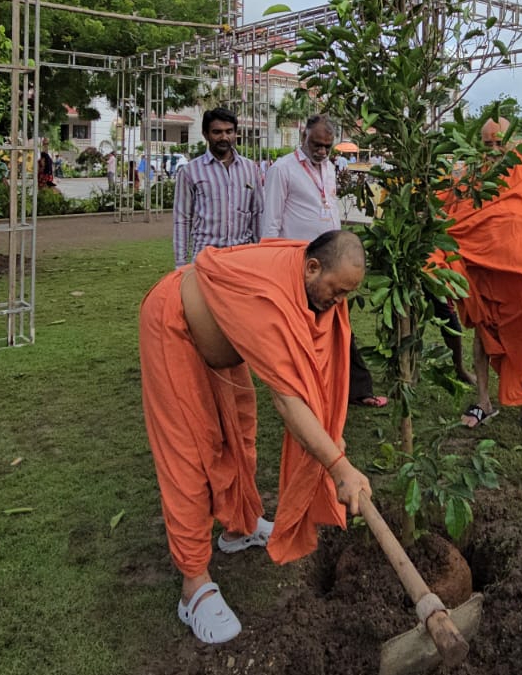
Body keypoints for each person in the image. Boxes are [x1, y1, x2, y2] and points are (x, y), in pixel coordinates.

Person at [140, 230, 372, 644]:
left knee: (240, 432)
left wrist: (327, 432)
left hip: (223, 342)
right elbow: (287, 401)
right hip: (172, 327)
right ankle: (193, 586)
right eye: (336, 293)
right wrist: (339, 468)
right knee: (191, 456)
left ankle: (240, 526)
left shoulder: (305, 277)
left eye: (345, 297)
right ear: (313, 267)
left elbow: (310, 377)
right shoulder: (269, 298)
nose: (338, 306)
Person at [437, 118, 522, 437]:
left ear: (512, 142)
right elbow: (456, 213)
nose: (494, 151)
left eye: (500, 144)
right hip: (483, 270)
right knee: (484, 334)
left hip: (520, 273)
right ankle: (483, 401)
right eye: (487, 145)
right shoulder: (471, 173)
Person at [262, 114, 387, 408]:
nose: (321, 151)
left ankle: (355, 390)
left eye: (326, 147)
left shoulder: (329, 168)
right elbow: (271, 222)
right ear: (303, 136)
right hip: (300, 267)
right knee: (303, 333)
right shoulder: (283, 170)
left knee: (340, 329)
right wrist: (273, 266)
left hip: (331, 265)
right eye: (316, 145)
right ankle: (306, 393)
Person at [173, 108, 263, 268]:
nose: (224, 137)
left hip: (242, 258)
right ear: (205, 134)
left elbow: (257, 214)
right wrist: (181, 265)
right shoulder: (190, 171)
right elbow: (182, 219)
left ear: (236, 133)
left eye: (229, 131)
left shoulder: (250, 169)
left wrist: (259, 255)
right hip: (206, 258)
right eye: (217, 132)